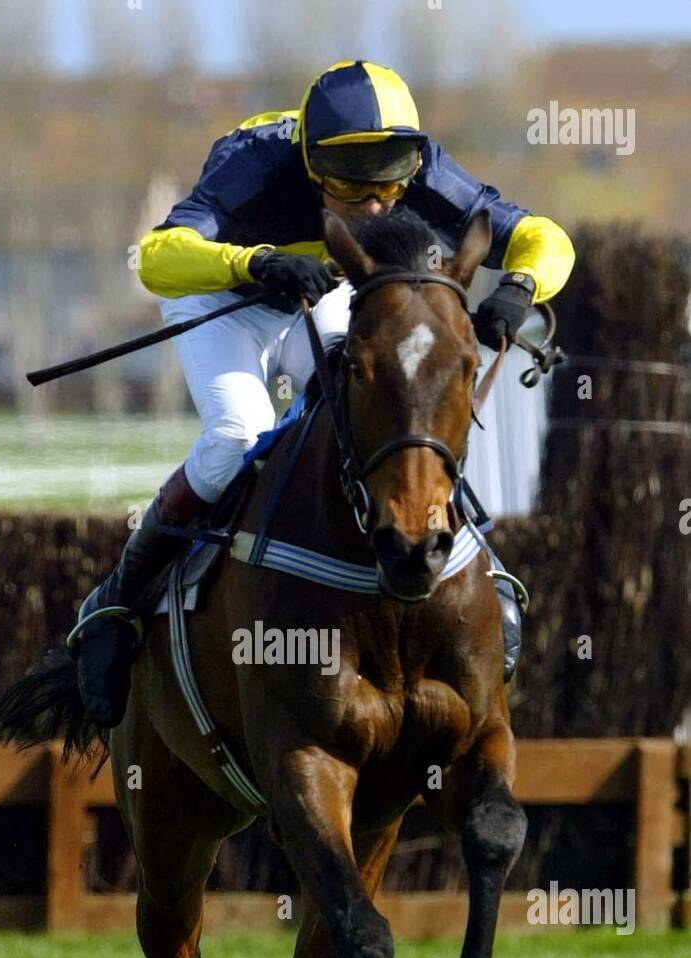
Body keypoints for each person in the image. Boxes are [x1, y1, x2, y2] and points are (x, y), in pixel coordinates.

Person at [73, 59, 575, 727]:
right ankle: (116, 603)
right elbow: (158, 256)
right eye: (347, 183)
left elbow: (545, 237)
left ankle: (479, 558)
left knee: (386, 404)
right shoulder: (255, 161)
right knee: (236, 438)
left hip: (321, 293)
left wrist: (518, 289)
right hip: (225, 298)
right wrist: (252, 261)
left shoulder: (423, 172)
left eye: (389, 184)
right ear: (310, 164)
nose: (372, 204)